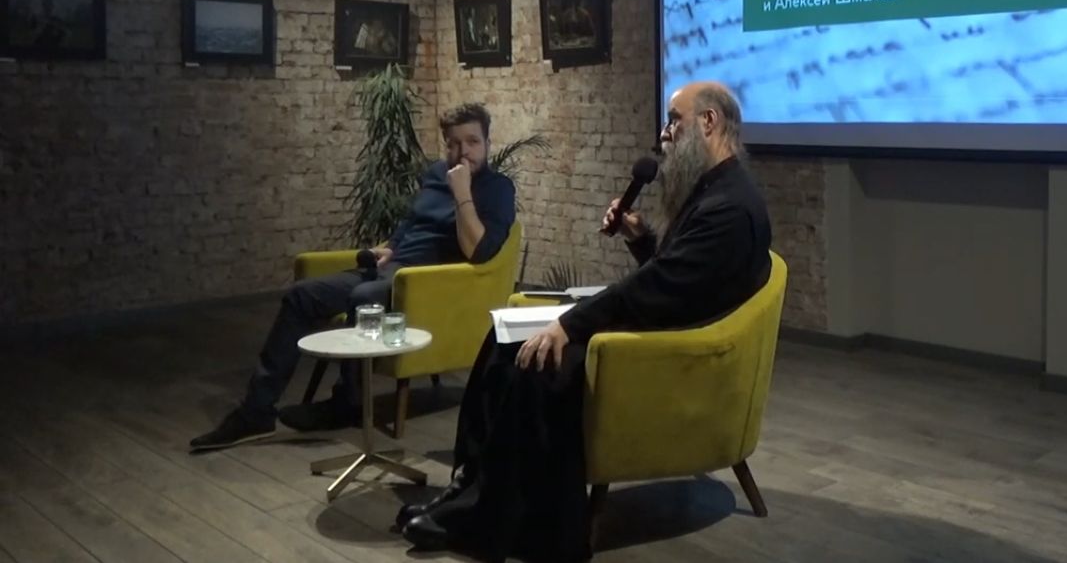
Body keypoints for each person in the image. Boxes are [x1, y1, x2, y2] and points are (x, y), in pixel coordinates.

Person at [395, 81, 772, 561]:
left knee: (538, 362)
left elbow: (659, 286)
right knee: (503, 339)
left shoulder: (729, 207)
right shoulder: (715, 192)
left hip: (668, 358)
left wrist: (571, 325)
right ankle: (469, 486)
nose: (664, 133)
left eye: (674, 120)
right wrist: (640, 239)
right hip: (663, 331)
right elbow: (681, 277)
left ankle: (502, 520)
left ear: (709, 122)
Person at [190, 103, 517, 451]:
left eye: (472, 142)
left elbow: (478, 251)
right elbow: (413, 221)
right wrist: (390, 246)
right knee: (301, 295)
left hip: (425, 283)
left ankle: (347, 401)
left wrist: (462, 192)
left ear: (487, 143)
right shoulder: (436, 174)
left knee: (365, 297)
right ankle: (255, 412)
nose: (463, 152)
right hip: (390, 267)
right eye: (454, 143)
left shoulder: (497, 189)